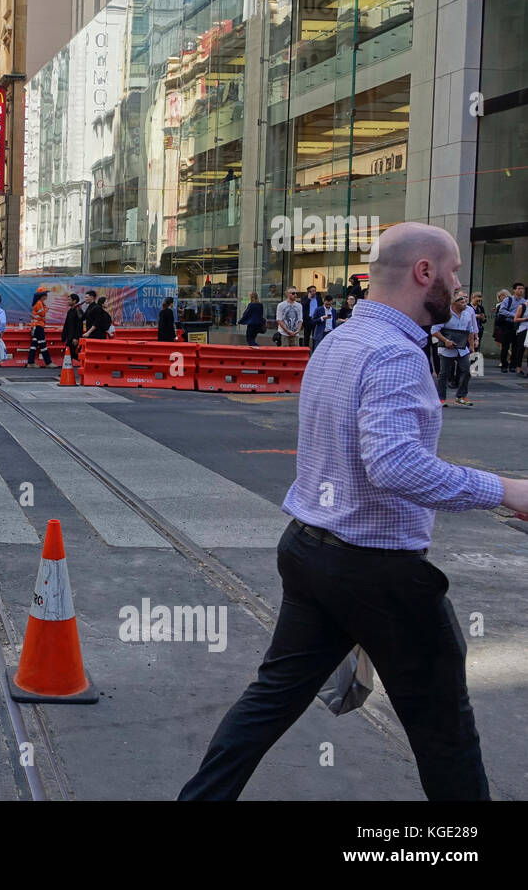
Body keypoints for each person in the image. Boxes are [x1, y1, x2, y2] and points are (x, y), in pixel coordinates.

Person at [178, 222, 528, 802]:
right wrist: (508, 490)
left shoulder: (340, 339)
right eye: (455, 270)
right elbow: (395, 467)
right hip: (379, 571)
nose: (459, 284)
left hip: (310, 551)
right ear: (425, 273)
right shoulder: (395, 354)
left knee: (269, 701)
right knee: (446, 733)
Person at [432, 293, 478, 408]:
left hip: (462, 349)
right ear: (454, 303)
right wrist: (446, 340)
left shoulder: (467, 314)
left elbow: (470, 331)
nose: (464, 303)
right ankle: (441, 398)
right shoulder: (444, 314)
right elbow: (434, 330)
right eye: (461, 302)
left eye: (464, 301)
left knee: (466, 371)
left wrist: (472, 346)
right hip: (446, 349)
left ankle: (461, 396)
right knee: (443, 374)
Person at [495, 283, 523, 373]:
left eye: (522, 288)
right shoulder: (509, 299)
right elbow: (502, 310)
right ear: (514, 290)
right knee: (505, 346)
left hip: (518, 325)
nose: (521, 290)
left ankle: (513, 365)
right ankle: (504, 364)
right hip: (508, 324)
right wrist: (514, 315)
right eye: (519, 288)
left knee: (516, 347)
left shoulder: (524, 301)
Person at [25, 288, 52, 367]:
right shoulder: (39, 303)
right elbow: (42, 314)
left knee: (34, 345)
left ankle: (30, 362)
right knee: (42, 344)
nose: (46, 296)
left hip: (36, 326)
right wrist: (46, 309)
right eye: (45, 294)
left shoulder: (39, 303)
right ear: (42, 295)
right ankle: (48, 362)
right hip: (38, 326)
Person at [61, 293, 84, 361]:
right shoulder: (70, 311)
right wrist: (64, 335)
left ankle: (83, 362)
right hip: (69, 336)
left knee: (73, 353)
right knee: (69, 352)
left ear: (74, 301)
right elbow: (66, 324)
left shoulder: (78, 310)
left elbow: (80, 325)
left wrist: (76, 338)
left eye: (69, 300)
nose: (68, 301)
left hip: (74, 337)